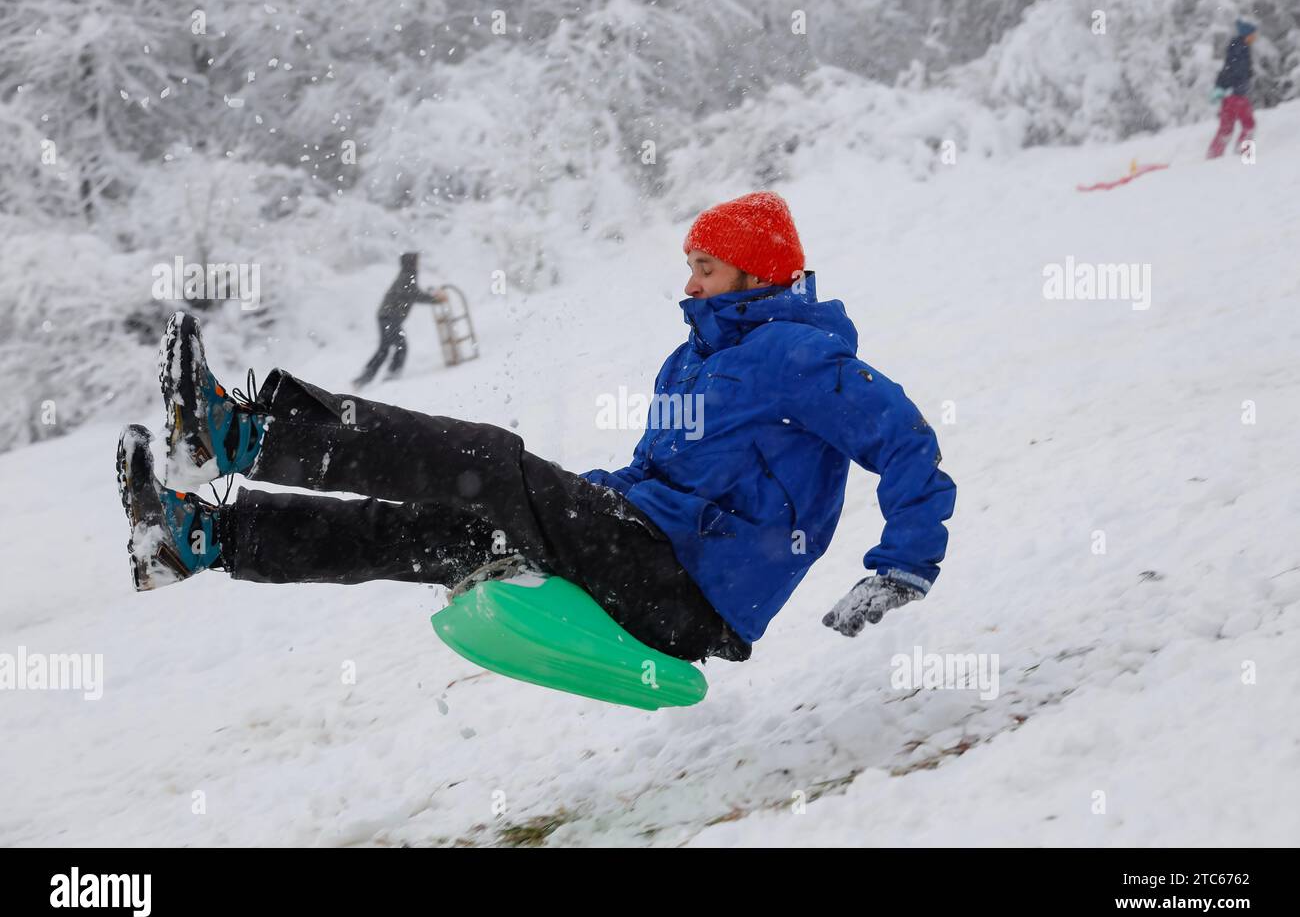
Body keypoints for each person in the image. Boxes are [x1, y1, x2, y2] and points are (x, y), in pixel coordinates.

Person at [116, 191, 956, 664]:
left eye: (704, 266)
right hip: (646, 549)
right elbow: (652, 478)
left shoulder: (796, 356)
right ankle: (205, 538)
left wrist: (905, 566)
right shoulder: (691, 360)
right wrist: (587, 496)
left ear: (753, 270)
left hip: (691, 594)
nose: (691, 283)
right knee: (439, 528)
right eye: (690, 266)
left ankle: (240, 437)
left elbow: (906, 439)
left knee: (484, 461)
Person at [353, 252, 445, 386]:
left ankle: (364, 378)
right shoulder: (407, 276)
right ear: (411, 263)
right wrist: (435, 300)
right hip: (390, 317)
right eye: (416, 261)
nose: (418, 264)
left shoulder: (406, 275)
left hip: (386, 316)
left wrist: (432, 297)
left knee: (384, 348)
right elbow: (415, 294)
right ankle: (391, 375)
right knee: (401, 346)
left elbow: (413, 292)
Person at [1207, 19, 1259, 159]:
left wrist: (1220, 87)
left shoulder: (1234, 48)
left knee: (1226, 129)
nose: (1255, 37)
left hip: (1228, 96)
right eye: (1253, 34)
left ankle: (1213, 156)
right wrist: (1245, 77)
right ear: (1246, 34)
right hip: (1238, 96)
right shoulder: (1241, 50)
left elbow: (1226, 70)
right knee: (1249, 125)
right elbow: (1237, 72)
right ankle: (1246, 155)